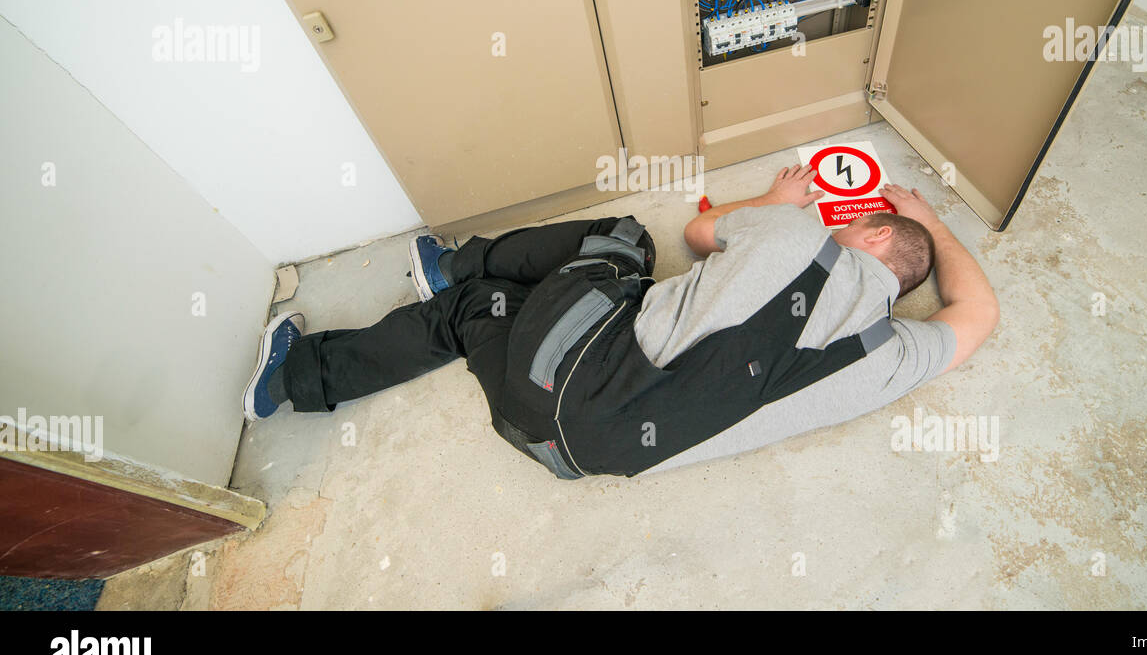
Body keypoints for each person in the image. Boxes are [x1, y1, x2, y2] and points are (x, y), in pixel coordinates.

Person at [243, 165, 998, 478]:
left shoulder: (800, 235)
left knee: (626, 239)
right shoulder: (891, 356)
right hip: (558, 447)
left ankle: (459, 265)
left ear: (867, 235)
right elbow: (980, 312)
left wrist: (778, 200)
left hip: (568, 360)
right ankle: (284, 381)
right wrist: (932, 222)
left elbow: (696, 237)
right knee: (480, 321)